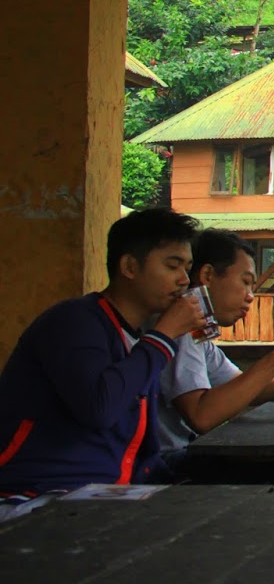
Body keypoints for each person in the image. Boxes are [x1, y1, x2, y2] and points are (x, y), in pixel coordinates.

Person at [0, 207, 206, 509]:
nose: (184, 280)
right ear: (129, 267)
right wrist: (163, 336)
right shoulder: (74, 321)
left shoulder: (136, 338)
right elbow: (99, 408)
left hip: (106, 492)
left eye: (187, 268)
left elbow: (139, 454)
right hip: (36, 494)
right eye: (172, 266)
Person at [156, 229, 274, 468]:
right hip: (167, 466)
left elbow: (242, 387)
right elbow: (202, 415)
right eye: (246, 282)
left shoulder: (199, 333)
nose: (251, 296)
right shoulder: (179, 328)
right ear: (208, 275)